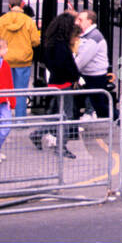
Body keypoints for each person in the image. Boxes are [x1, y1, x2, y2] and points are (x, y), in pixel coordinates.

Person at [30, 13, 81, 159]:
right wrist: (75, 76)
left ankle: (37, 134)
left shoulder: (51, 42)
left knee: (56, 114)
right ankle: (61, 147)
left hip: (55, 81)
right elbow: (67, 65)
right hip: (64, 83)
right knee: (67, 115)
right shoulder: (62, 46)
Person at [0, 0, 40, 119]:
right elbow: (35, 41)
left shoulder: (2, 20)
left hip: (5, 59)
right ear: (22, 5)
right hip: (23, 60)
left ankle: (3, 118)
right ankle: (20, 119)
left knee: (3, 91)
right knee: (21, 91)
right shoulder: (28, 21)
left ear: (9, 5)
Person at [73, 9, 111, 119]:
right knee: (80, 102)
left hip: (94, 76)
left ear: (89, 21)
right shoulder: (86, 35)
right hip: (88, 74)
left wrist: (71, 69)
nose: (77, 22)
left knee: (101, 107)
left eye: (80, 20)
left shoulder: (94, 37)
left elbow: (82, 59)